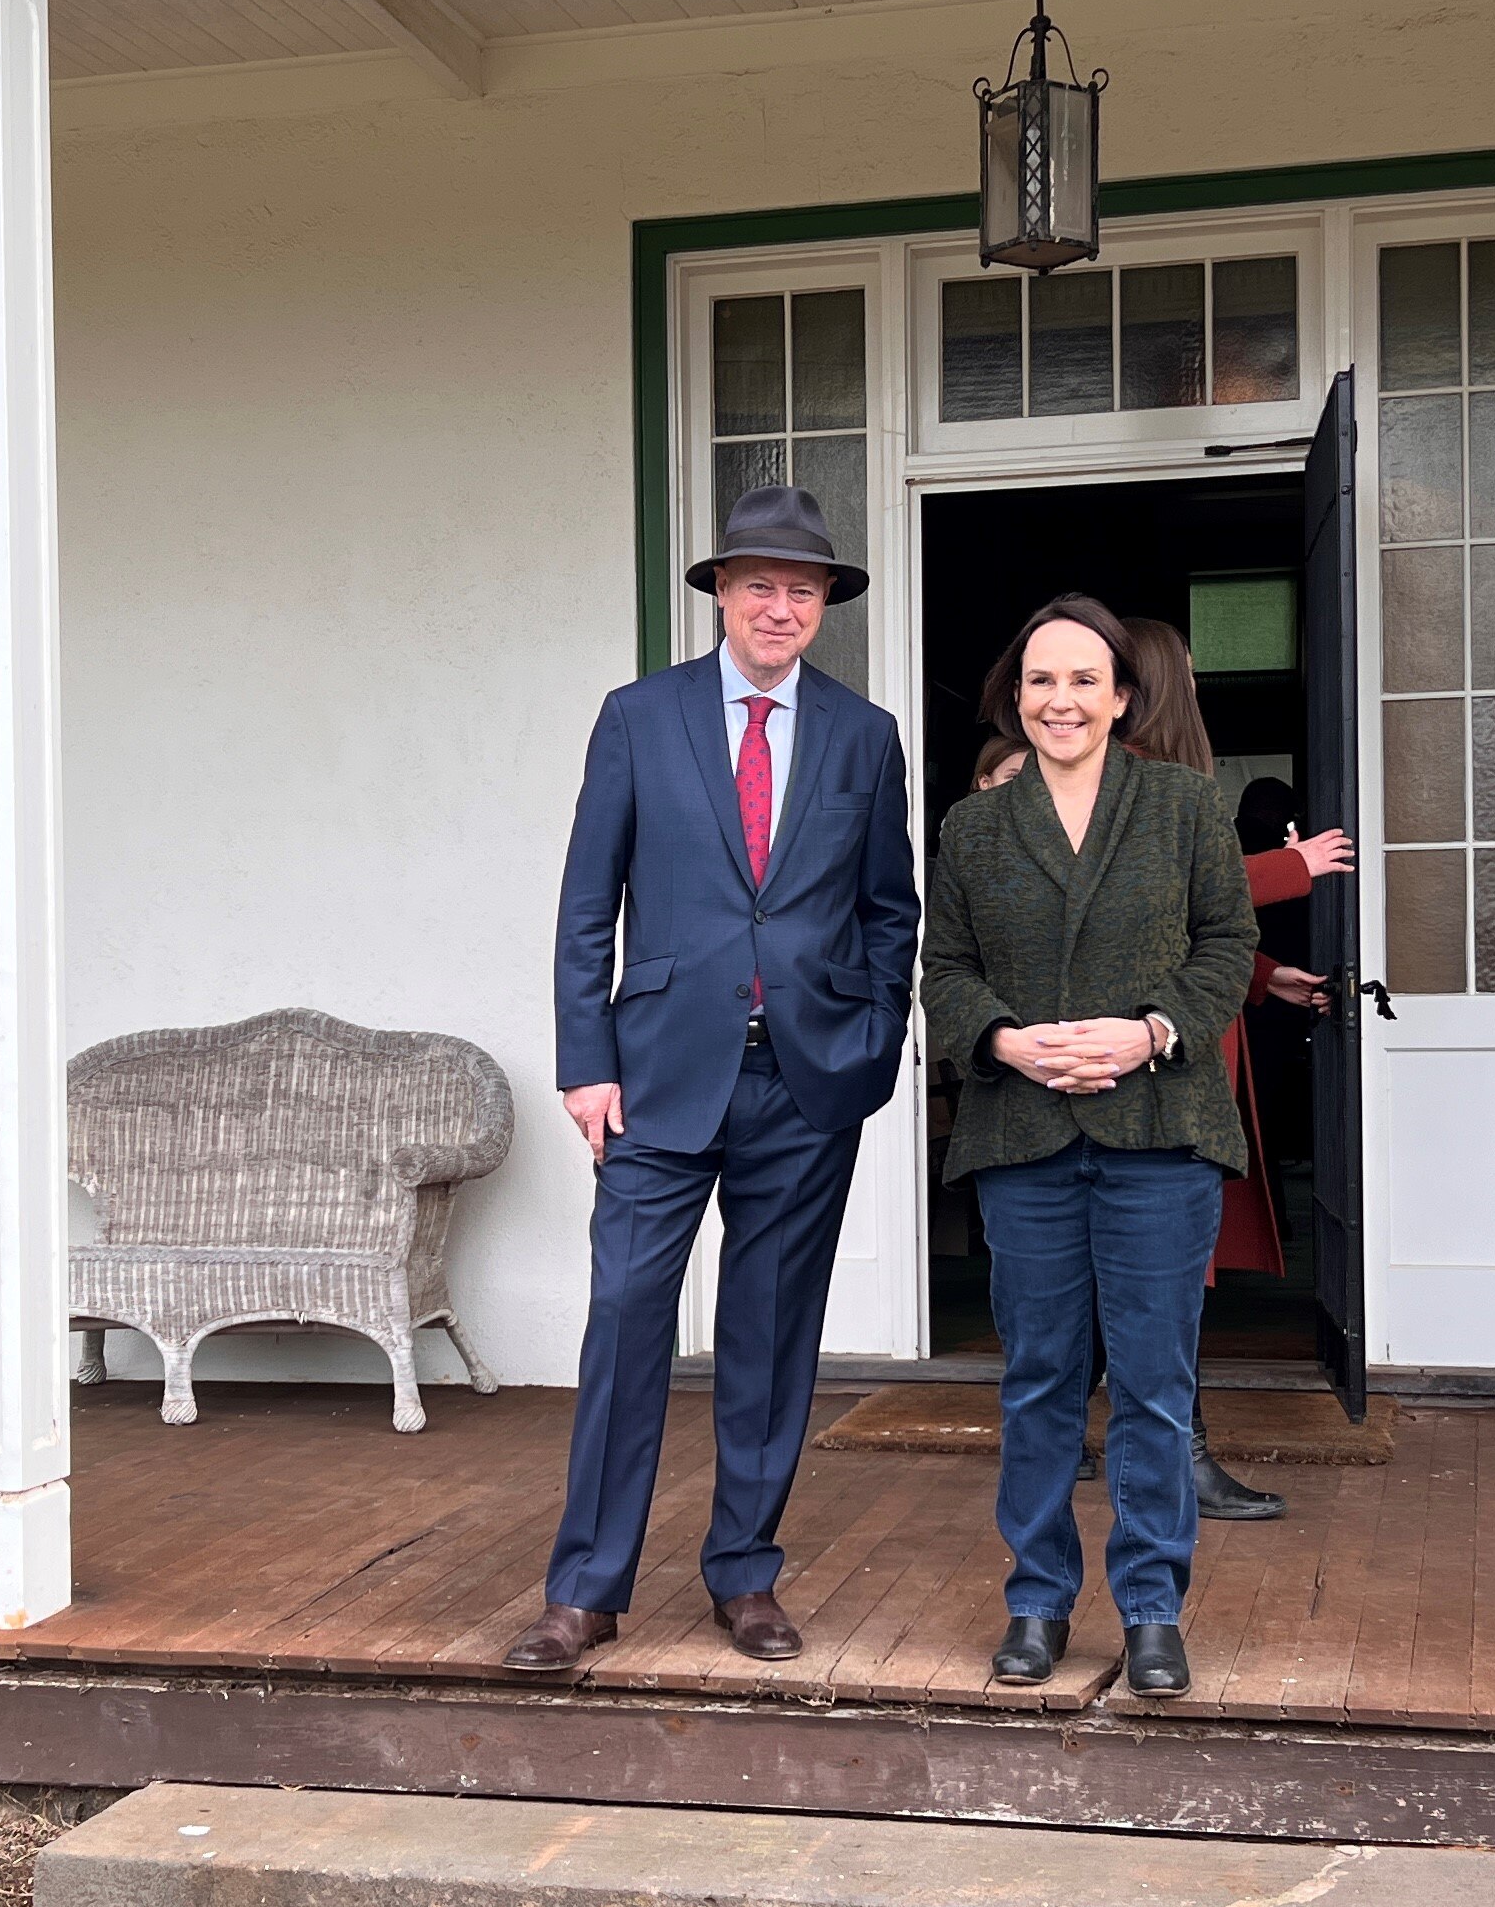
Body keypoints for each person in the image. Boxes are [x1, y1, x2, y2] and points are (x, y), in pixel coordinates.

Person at [517, 480, 922, 1675]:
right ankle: (585, 1590)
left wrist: (870, 1041)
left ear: (824, 605)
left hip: (806, 1082)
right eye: (761, 586)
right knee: (626, 1320)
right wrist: (584, 1060)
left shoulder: (864, 735)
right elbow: (589, 903)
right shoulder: (641, 717)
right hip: (655, 1081)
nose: (781, 607)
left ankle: (745, 1574)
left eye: (803, 589)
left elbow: (889, 909)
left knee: (771, 1336)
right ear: (723, 596)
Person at [924, 596, 1255, 1699]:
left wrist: (1151, 1028)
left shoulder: (1183, 806)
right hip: (1024, 1135)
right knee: (1040, 1385)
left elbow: (1229, 943)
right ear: (1014, 700)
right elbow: (945, 969)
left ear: (1122, 699)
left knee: (1155, 1386)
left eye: (1082, 681)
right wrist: (1007, 1043)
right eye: (1039, 681)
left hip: (1159, 1129)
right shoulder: (972, 829)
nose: (1059, 700)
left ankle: (1153, 1609)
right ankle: (1038, 1599)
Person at [1117, 617, 1355, 1519]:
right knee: (1164, 1276)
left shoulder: (1159, 777)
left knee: (1161, 1274)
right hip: (1155, 1060)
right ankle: (1182, 1461)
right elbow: (1171, 891)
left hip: (1181, 1042)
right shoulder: (1129, 776)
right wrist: (1291, 866)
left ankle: (1159, 1454)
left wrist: (1260, 978)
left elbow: (1175, 924)